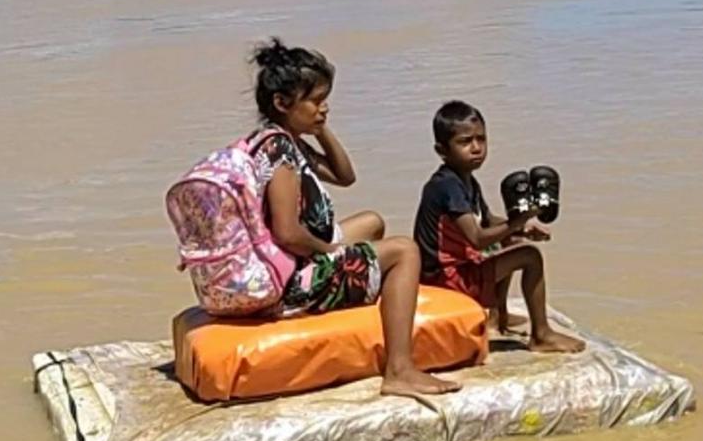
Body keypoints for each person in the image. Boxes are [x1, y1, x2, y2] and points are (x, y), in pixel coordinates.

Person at [247, 39, 457, 397]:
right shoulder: (278, 151)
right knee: (405, 250)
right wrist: (327, 250)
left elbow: (345, 176)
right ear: (282, 103)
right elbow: (287, 232)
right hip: (295, 278)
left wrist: (318, 127)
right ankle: (399, 369)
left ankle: (380, 297)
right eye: (315, 101)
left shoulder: (285, 141)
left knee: (372, 222)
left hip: (298, 258)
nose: (324, 108)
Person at [414, 101, 585, 353]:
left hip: (456, 269)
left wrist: (524, 228)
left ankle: (498, 317)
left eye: (481, 139)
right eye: (465, 142)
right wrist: (515, 223)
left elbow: (487, 221)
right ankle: (541, 335)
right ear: (442, 150)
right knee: (529, 256)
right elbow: (477, 238)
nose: (476, 148)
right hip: (445, 278)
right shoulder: (446, 186)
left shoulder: (464, 180)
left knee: (511, 242)